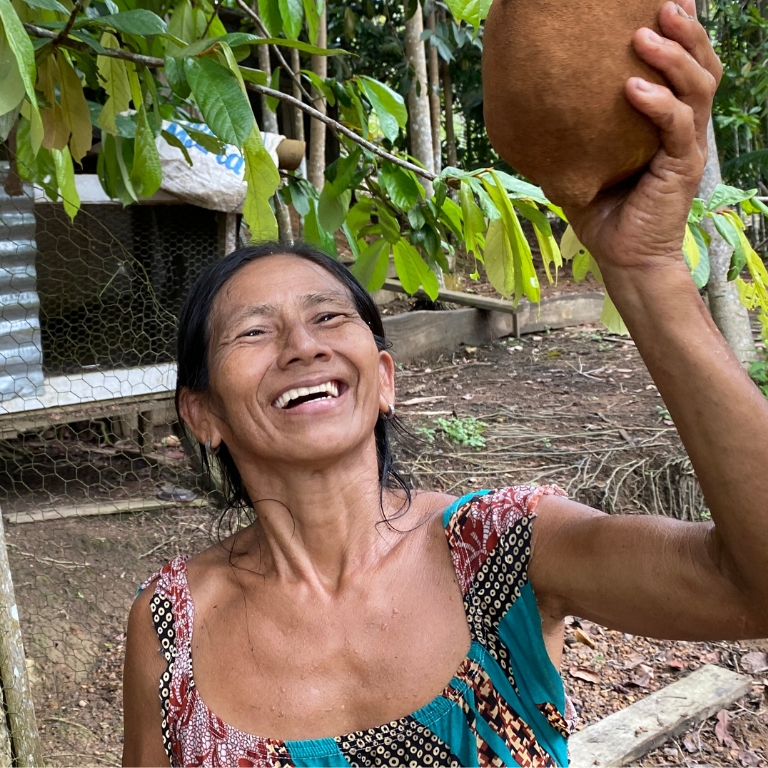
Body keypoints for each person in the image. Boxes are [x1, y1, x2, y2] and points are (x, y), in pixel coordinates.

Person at [122, 2, 768, 765]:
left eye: (330, 318)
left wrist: (646, 266)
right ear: (201, 414)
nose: (301, 347)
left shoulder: (500, 547)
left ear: (384, 377)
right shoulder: (173, 624)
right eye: (254, 332)